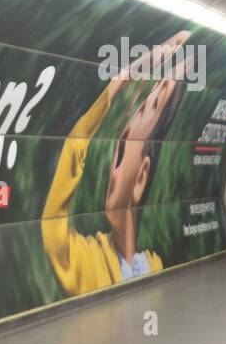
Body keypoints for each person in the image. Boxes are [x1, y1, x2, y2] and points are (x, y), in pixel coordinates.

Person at [42, 32, 189, 295]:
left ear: (141, 178)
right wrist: (127, 74)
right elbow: (52, 225)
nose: (128, 123)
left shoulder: (156, 265)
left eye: (146, 109)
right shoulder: (86, 260)